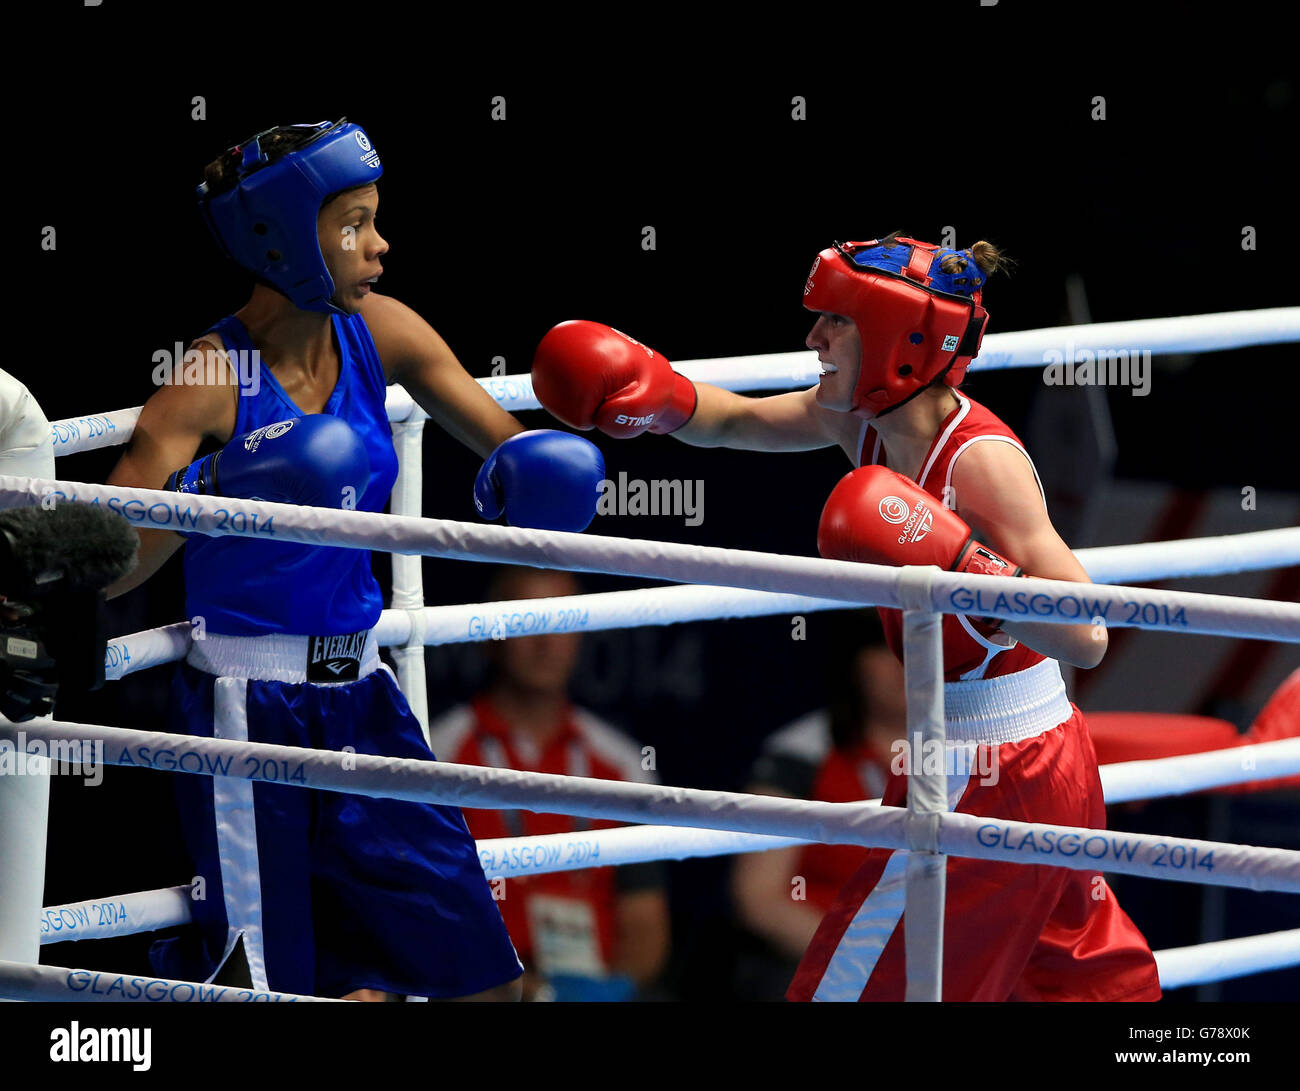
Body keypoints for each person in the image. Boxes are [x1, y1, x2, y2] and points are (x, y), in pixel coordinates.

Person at [529, 233, 1163, 1001]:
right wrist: (661, 399)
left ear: (899, 340)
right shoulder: (859, 424)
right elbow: (738, 423)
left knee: (847, 989)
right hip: (1014, 754)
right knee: (1084, 983)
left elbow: (1086, 634)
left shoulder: (978, 462)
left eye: (836, 322)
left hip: (995, 762)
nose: (813, 338)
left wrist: (968, 566)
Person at [105, 119, 606, 1001]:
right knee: (275, 989)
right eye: (354, 224)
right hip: (245, 713)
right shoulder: (209, 378)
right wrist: (218, 484)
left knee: (482, 978)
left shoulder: (382, 330)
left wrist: (542, 472)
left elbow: (510, 447)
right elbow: (115, 564)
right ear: (288, 236)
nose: (380, 243)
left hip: (364, 697)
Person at [428, 566, 671, 1001]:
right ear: (490, 636)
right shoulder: (437, 755)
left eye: (561, 623)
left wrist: (605, 993)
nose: (546, 643)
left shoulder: (621, 764)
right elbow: (422, 915)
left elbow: (645, 924)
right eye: (527, 622)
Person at [731, 612, 905, 999]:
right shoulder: (800, 755)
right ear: (855, 662)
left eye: (921, 645)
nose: (905, 663)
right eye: (885, 647)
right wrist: (866, 964)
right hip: (824, 969)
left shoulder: (982, 759)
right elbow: (759, 899)